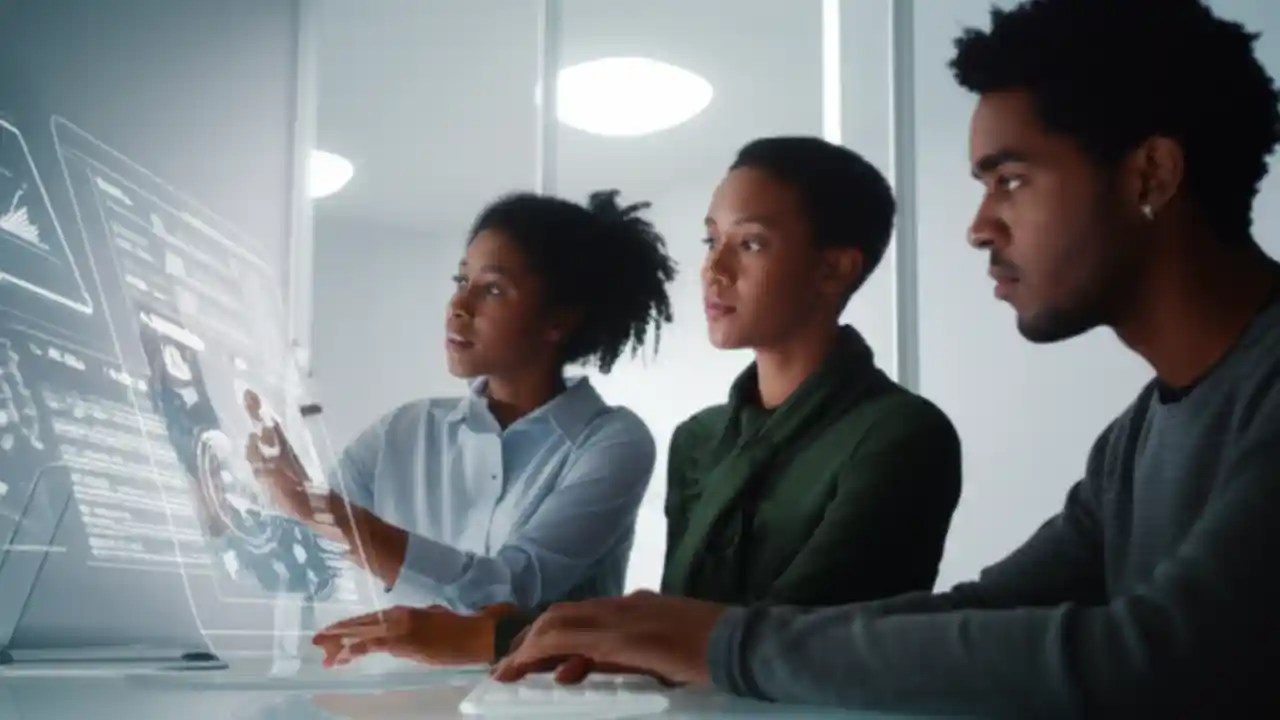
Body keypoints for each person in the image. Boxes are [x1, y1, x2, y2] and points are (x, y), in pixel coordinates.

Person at [491, 1, 1280, 716]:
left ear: (1150, 175)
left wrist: (724, 644)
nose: (979, 226)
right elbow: (990, 608)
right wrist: (682, 633)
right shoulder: (1134, 442)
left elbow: (1161, 657)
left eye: (1010, 179)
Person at [310, 137, 963, 668]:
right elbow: (672, 629)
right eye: (711, 240)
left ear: (834, 268)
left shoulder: (902, 434)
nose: (714, 269)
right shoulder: (699, 439)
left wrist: (495, 639)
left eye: (751, 243)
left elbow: (786, 646)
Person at [243, 189, 677, 619]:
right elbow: (305, 568)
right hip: (390, 670)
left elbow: (508, 592)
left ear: (558, 320)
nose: (458, 306)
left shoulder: (612, 442)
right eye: (461, 282)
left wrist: (324, 510)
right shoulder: (401, 431)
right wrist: (223, 500)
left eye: (493, 289)